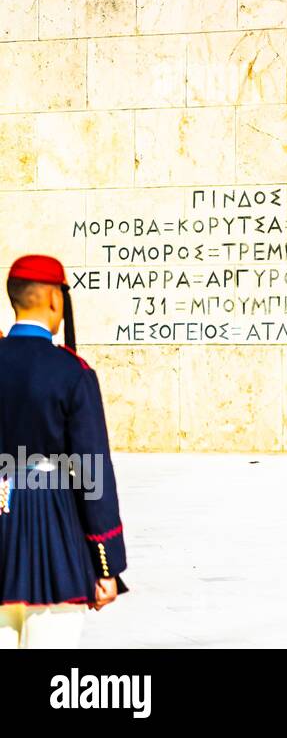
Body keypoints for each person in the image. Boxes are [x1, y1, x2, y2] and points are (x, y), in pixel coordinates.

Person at [0, 255, 127, 649]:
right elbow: (92, 473)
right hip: (52, 534)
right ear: (56, 300)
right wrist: (106, 564)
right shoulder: (71, 372)